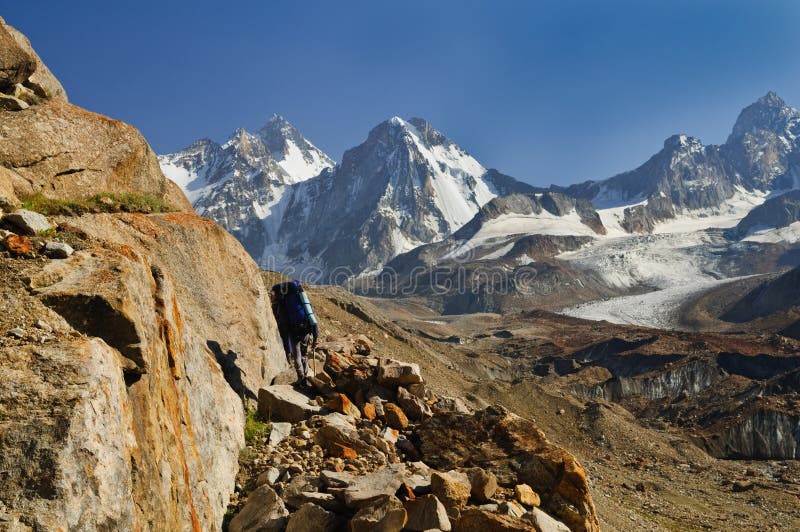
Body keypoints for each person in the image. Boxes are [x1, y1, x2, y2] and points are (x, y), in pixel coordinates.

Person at [270, 280, 319, 386]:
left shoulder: (282, 303)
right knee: (304, 354)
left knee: (296, 356)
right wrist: (315, 338)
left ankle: (301, 378)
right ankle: (306, 377)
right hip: (305, 329)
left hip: (293, 331)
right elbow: (312, 319)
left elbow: (283, 325)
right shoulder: (300, 300)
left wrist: (287, 349)